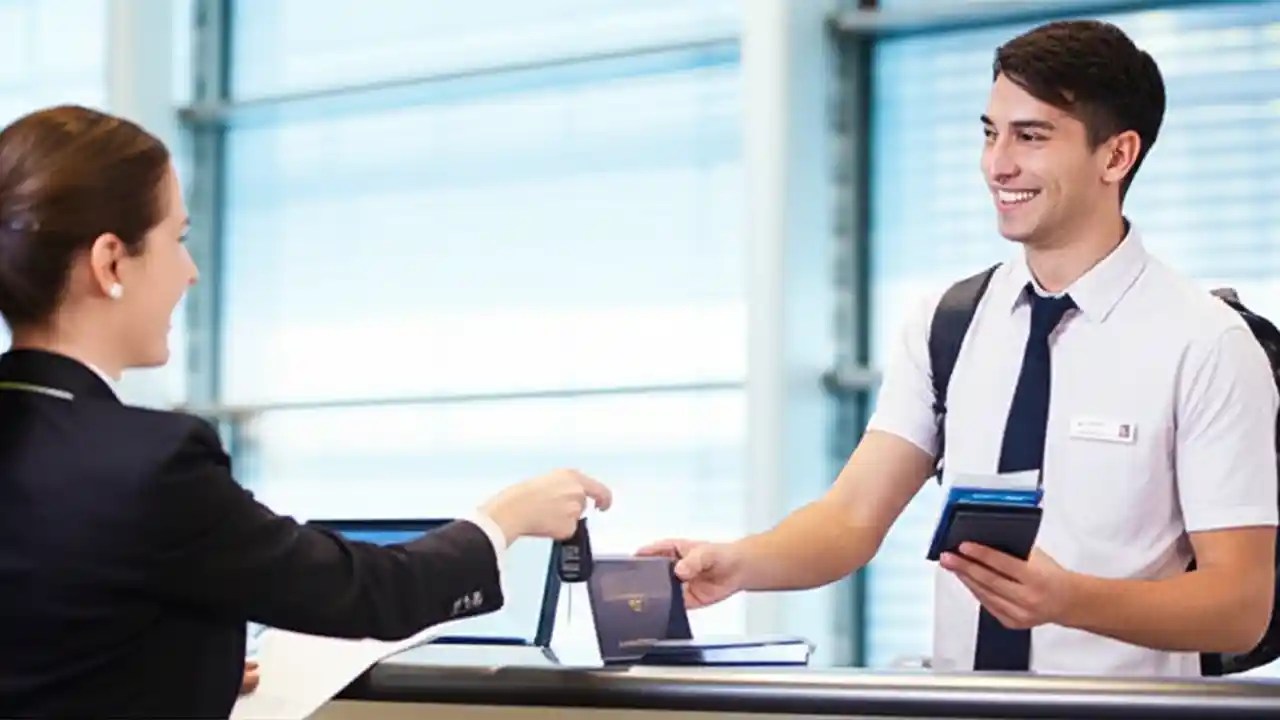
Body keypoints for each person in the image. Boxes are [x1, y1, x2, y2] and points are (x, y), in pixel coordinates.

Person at [640, 19, 1278, 677]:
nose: (998, 163)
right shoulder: (948, 323)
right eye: (989, 132)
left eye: (1030, 137)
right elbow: (851, 519)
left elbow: (1239, 606)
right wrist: (739, 563)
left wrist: (1069, 600)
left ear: (1116, 156)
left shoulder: (1206, 343)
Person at [0, 105, 612, 718]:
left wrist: (191, 664)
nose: (190, 273)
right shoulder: (147, 466)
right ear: (110, 262)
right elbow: (363, 592)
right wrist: (503, 520)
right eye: (177, 239)